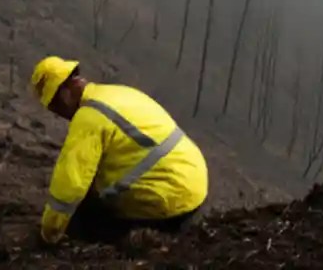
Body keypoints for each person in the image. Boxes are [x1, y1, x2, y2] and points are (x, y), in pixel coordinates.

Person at [30, 56, 208, 245]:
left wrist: (48, 233)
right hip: (195, 183)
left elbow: (70, 186)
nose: (61, 116)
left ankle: (134, 242)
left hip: (170, 199)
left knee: (82, 218)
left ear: (64, 96)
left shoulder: (88, 118)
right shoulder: (117, 93)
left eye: (55, 108)